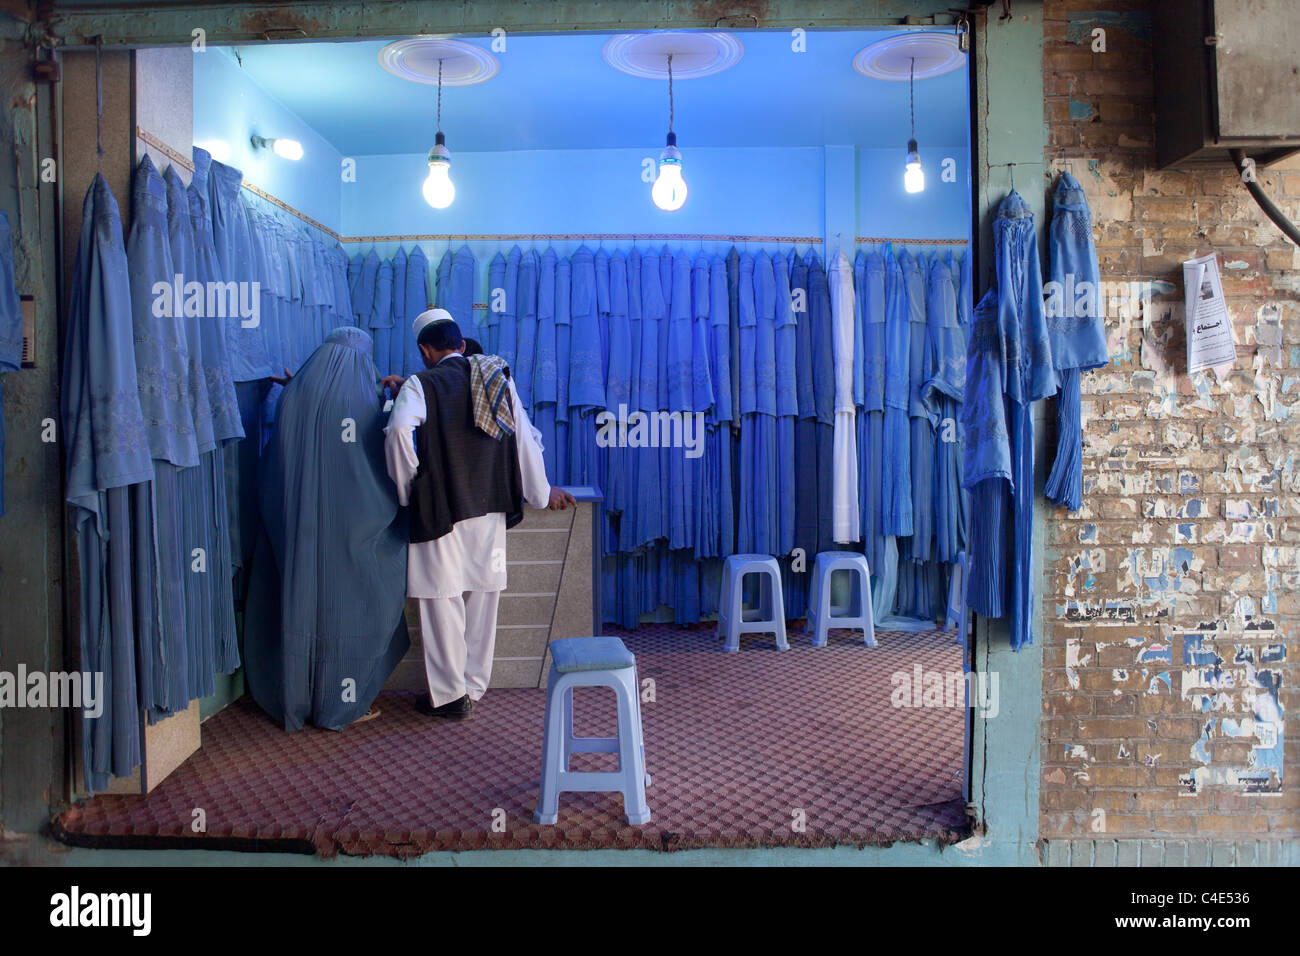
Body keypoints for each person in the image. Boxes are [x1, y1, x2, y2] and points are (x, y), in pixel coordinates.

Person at [384, 310, 575, 720]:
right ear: (462, 344)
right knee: (483, 598)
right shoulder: (496, 377)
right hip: (489, 509)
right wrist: (539, 494)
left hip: (440, 509)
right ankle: (474, 687)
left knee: (441, 600)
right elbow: (522, 436)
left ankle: (450, 697)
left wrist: (408, 490)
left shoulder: (421, 383)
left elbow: (400, 430)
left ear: (424, 350)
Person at [244, 326, 409, 730]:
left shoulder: (296, 396)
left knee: (302, 603)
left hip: (298, 531)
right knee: (352, 609)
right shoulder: (364, 399)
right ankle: (342, 701)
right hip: (352, 531)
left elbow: (278, 466)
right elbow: (377, 467)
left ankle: (295, 696)